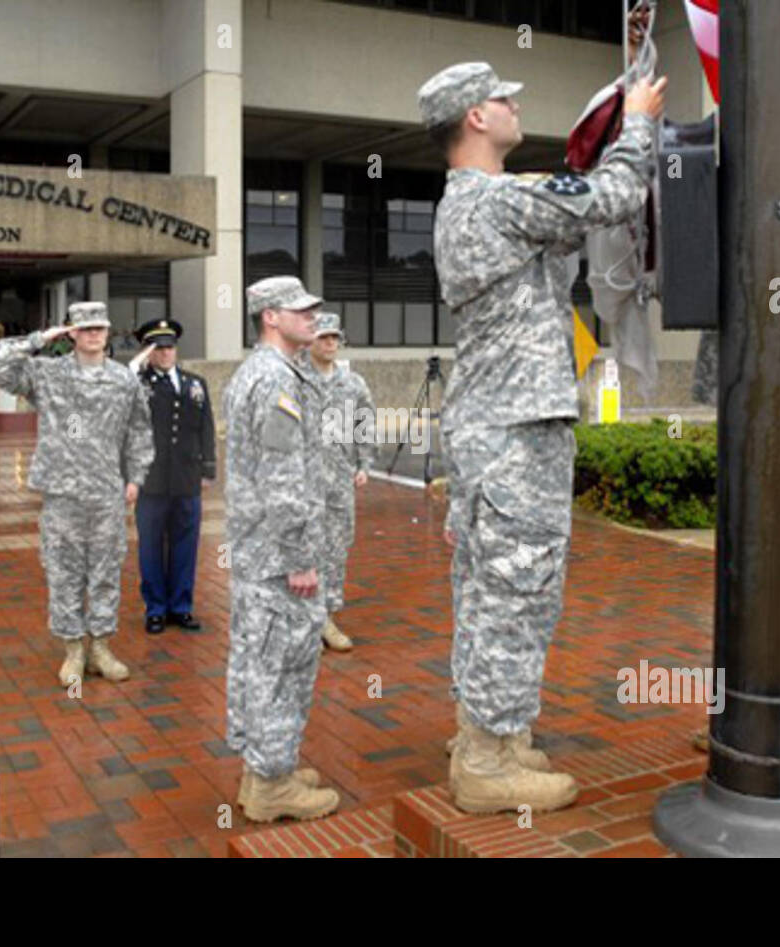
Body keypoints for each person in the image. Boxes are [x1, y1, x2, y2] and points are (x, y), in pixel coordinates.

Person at [419, 59, 665, 814]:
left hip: (496, 422)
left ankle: (487, 732)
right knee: (516, 590)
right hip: (514, 428)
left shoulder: (479, 203)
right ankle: (489, 763)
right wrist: (640, 122)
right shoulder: (494, 201)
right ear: (474, 120)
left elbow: (563, 212)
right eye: (501, 98)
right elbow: (611, 195)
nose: (513, 104)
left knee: (489, 585)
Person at [0, 301, 154, 687]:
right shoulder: (47, 374)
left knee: (107, 572)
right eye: (85, 328)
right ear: (72, 333)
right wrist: (38, 339)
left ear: (108, 333)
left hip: (106, 493)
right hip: (62, 494)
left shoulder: (123, 379)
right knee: (63, 573)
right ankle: (73, 650)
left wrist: (136, 477)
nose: (94, 334)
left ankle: (101, 647)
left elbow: (140, 431)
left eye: (100, 328)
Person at [224, 275, 338, 823]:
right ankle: (272, 785)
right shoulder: (276, 381)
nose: (312, 317)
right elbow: (282, 477)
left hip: (256, 550)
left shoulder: (263, 372)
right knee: (282, 663)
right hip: (276, 556)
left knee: (259, 660)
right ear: (271, 316)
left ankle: (264, 770)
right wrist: (300, 558)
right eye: (300, 310)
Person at [131, 318, 217, 634]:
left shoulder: (195, 383)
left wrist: (208, 468)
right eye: (159, 347)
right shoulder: (138, 384)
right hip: (151, 481)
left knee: (185, 544)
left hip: (186, 478)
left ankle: (181, 606)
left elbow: (206, 426)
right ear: (149, 351)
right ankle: (155, 608)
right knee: (151, 546)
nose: (167, 353)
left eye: (170, 347)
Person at [298, 311, 375, 652]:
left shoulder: (352, 384)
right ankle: (309, 617)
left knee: (337, 546)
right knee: (305, 546)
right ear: (310, 341)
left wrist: (364, 463)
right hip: (304, 481)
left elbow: (364, 423)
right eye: (323, 337)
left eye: (334, 338)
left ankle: (326, 613)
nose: (330, 344)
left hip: (340, 479)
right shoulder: (296, 380)